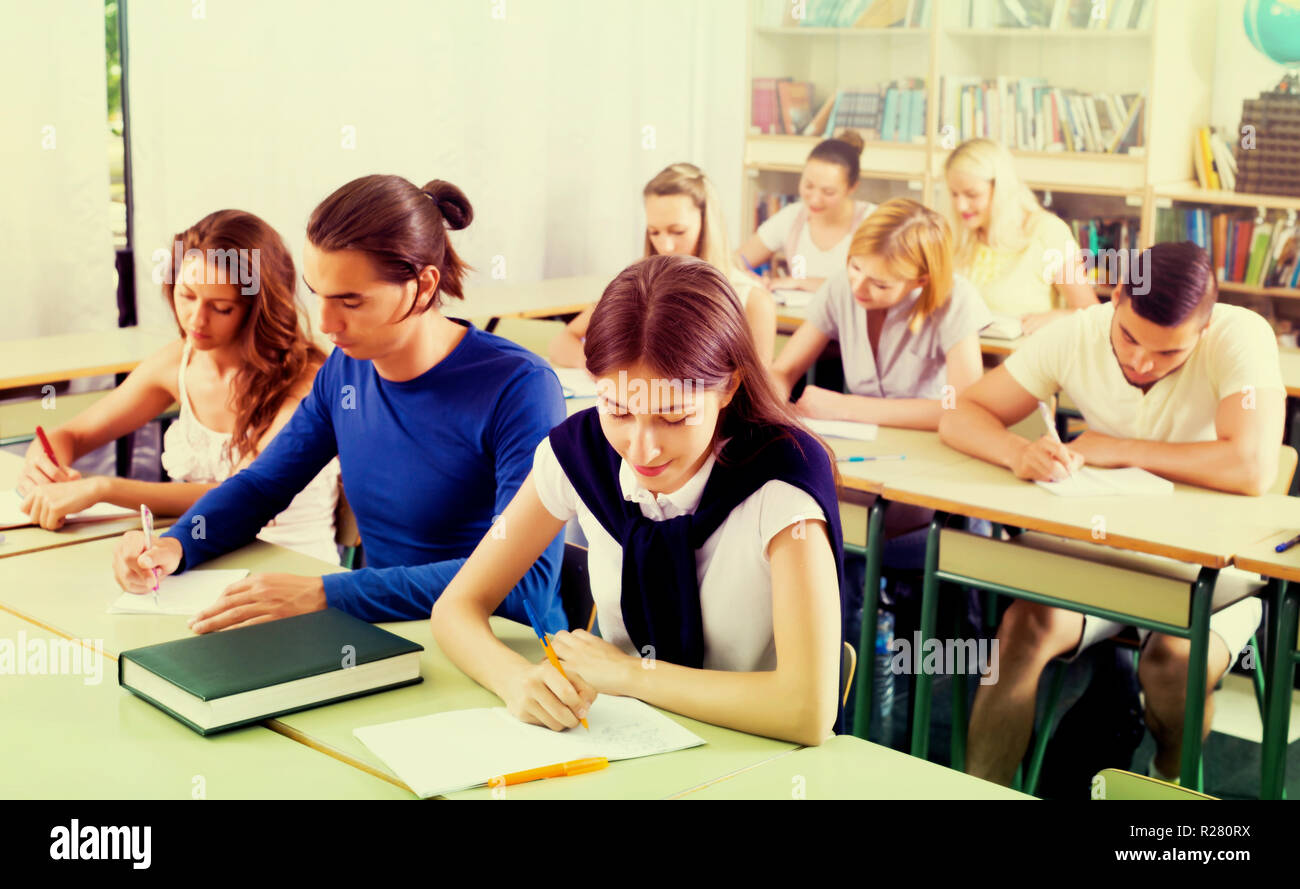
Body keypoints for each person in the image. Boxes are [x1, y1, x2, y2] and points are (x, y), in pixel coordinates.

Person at [110, 175, 567, 633]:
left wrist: (329, 593)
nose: (326, 323)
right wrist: (178, 544)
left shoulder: (520, 388)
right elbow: (262, 488)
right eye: (317, 294)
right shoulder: (347, 371)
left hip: (506, 648)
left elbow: (524, 582)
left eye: (350, 301)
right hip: (394, 630)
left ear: (423, 286)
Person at [433, 254, 845, 746]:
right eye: (618, 410)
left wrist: (630, 674)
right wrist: (514, 679)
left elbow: (808, 710)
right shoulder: (578, 455)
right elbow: (456, 607)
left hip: (760, 753)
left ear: (728, 387)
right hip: (625, 741)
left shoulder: (783, 482)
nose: (642, 448)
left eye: (673, 417)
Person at [938, 241, 1285, 785]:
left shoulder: (1241, 334)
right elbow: (963, 415)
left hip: (1213, 569)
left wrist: (1122, 447)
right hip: (1104, 554)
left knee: (1174, 662)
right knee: (1020, 631)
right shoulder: (1078, 331)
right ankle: (984, 794)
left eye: (1169, 353)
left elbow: (1254, 467)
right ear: (1116, 297)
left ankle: (1162, 781)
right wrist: (1018, 452)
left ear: (1206, 324)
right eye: (1128, 337)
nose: (1141, 360)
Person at [18, 209, 339, 563]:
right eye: (186, 296)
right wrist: (43, 468)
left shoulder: (304, 379)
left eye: (221, 307)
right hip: (201, 554)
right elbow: (71, 436)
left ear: (256, 308)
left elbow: (244, 495)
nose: (196, 320)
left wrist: (102, 488)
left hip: (290, 563)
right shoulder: (179, 361)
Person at [770, 198, 989, 429]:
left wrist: (845, 407)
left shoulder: (957, 299)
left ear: (920, 281)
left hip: (928, 444)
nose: (857, 287)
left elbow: (963, 408)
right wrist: (766, 405)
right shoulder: (840, 286)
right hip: (862, 438)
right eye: (855, 267)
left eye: (880, 284)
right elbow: (785, 370)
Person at [549, 163, 777, 366]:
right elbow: (562, 342)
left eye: (677, 231)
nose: (665, 246)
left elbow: (758, 396)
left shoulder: (753, 300)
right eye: (654, 232)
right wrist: (607, 372)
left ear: (707, 224)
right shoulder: (637, 282)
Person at [944, 138, 1098, 336]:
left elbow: (1091, 313)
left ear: (1000, 189)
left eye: (972, 194)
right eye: (954, 194)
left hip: (1022, 361)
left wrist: (1057, 317)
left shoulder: (1048, 232)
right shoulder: (959, 234)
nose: (960, 206)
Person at [736, 131, 875, 293]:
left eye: (828, 192)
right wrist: (746, 276)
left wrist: (801, 282)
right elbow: (735, 261)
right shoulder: (791, 218)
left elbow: (876, 285)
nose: (815, 200)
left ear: (852, 187)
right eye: (808, 186)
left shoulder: (873, 222)